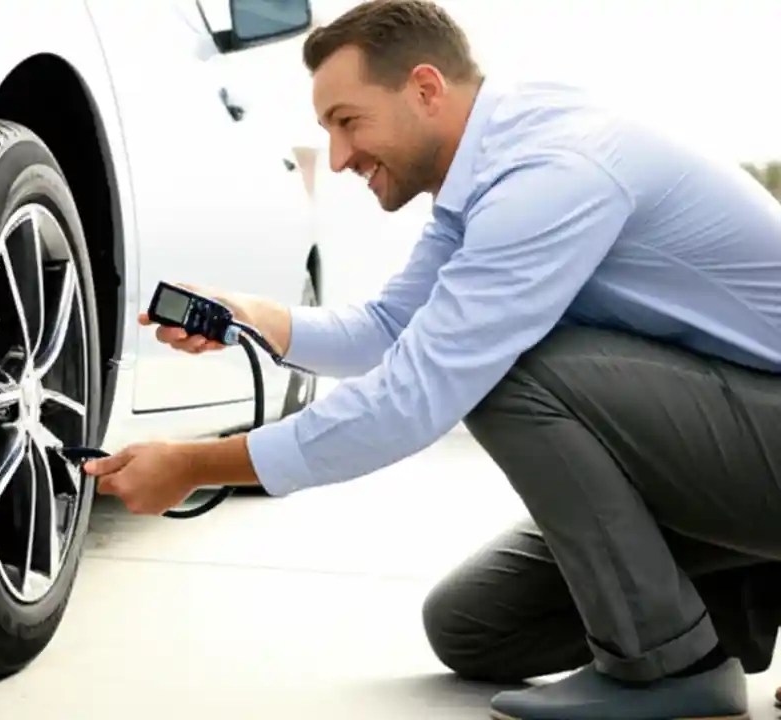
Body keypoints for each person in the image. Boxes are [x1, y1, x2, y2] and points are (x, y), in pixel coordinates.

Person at [80, 0, 781, 717]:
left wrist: (198, 465)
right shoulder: (486, 173)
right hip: (734, 443)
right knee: (473, 627)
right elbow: (391, 328)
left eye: (348, 122)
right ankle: (740, 589)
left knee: (510, 368)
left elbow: (414, 395)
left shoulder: (550, 172)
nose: (342, 156)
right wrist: (259, 320)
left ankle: (669, 671)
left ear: (424, 88)